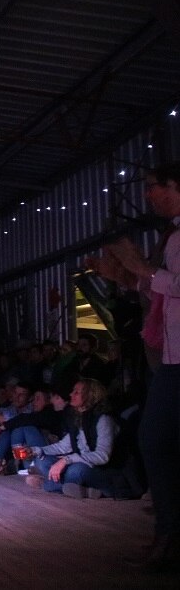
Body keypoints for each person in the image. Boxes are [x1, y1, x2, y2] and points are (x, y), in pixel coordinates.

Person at [93, 163, 180, 571]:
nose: (147, 195)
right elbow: (164, 286)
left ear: (175, 186)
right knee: (158, 441)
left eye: (153, 187)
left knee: (156, 440)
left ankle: (168, 538)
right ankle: (167, 536)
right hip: (172, 358)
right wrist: (127, 279)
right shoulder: (172, 234)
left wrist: (141, 269)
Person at [26, 379, 117, 499]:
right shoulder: (78, 418)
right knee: (41, 460)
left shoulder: (103, 419)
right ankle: (84, 490)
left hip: (102, 470)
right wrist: (35, 450)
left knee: (74, 471)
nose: (70, 394)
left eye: (76, 392)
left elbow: (102, 456)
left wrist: (66, 460)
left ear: (89, 395)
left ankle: (47, 484)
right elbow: (63, 446)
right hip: (80, 463)